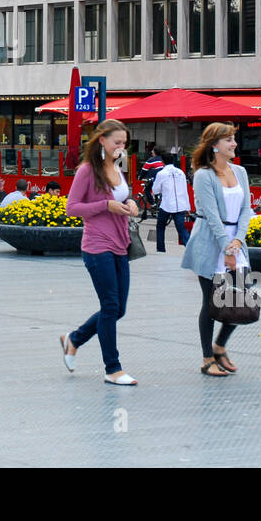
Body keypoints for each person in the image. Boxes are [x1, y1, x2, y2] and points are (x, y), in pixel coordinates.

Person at [59, 118, 140, 386]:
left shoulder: (118, 168)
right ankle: (112, 368)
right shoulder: (87, 171)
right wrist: (106, 206)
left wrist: (130, 202)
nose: (121, 148)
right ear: (102, 141)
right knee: (110, 306)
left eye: (125, 144)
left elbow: (122, 197)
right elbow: (72, 208)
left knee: (118, 309)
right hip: (96, 245)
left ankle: (74, 339)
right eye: (117, 142)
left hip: (120, 243)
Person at [182, 122, 254, 378]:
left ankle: (220, 345)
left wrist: (238, 241)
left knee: (243, 296)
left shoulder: (240, 172)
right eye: (229, 140)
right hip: (211, 243)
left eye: (234, 139)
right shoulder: (204, 175)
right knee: (212, 302)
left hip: (236, 242)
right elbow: (211, 216)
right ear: (214, 145)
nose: (234, 144)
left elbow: (246, 209)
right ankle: (206, 358)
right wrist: (226, 247)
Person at [151, 147, 192, 253]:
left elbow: (155, 190)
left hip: (167, 205)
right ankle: (191, 249)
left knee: (160, 226)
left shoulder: (161, 173)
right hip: (181, 205)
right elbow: (185, 190)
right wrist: (188, 207)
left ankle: (161, 249)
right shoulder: (181, 173)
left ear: (162, 162)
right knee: (181, 228)